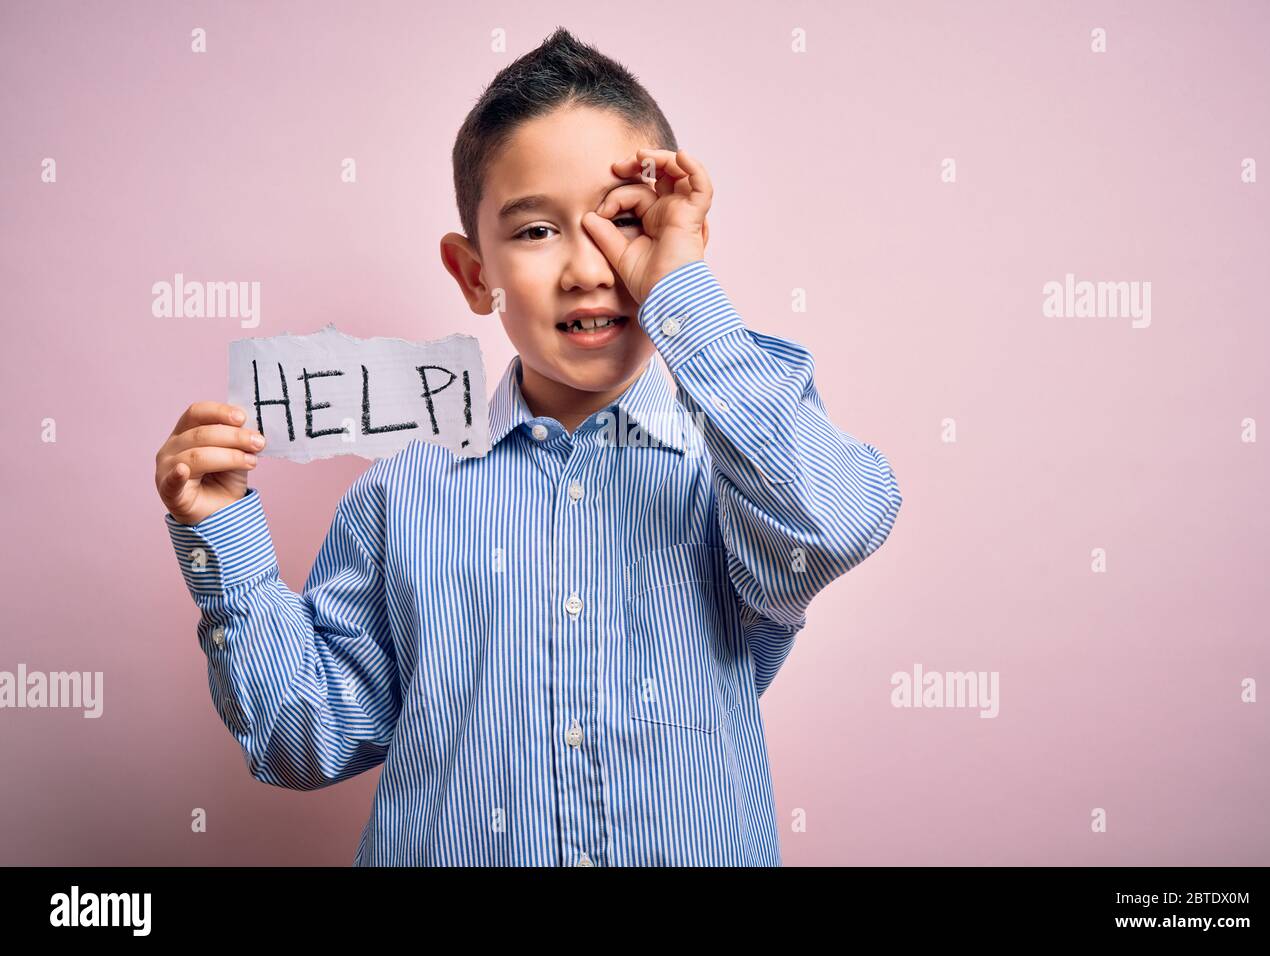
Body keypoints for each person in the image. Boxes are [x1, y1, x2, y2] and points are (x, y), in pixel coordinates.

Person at [153, 27, 902, 866]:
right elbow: (301, 738)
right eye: (537, 232)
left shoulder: (737, 464)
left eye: (622, 221)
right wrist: (222, 538)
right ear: (476, 276)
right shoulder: (403, 497)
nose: (587, 269)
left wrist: (682, 292)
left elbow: (832, 525)